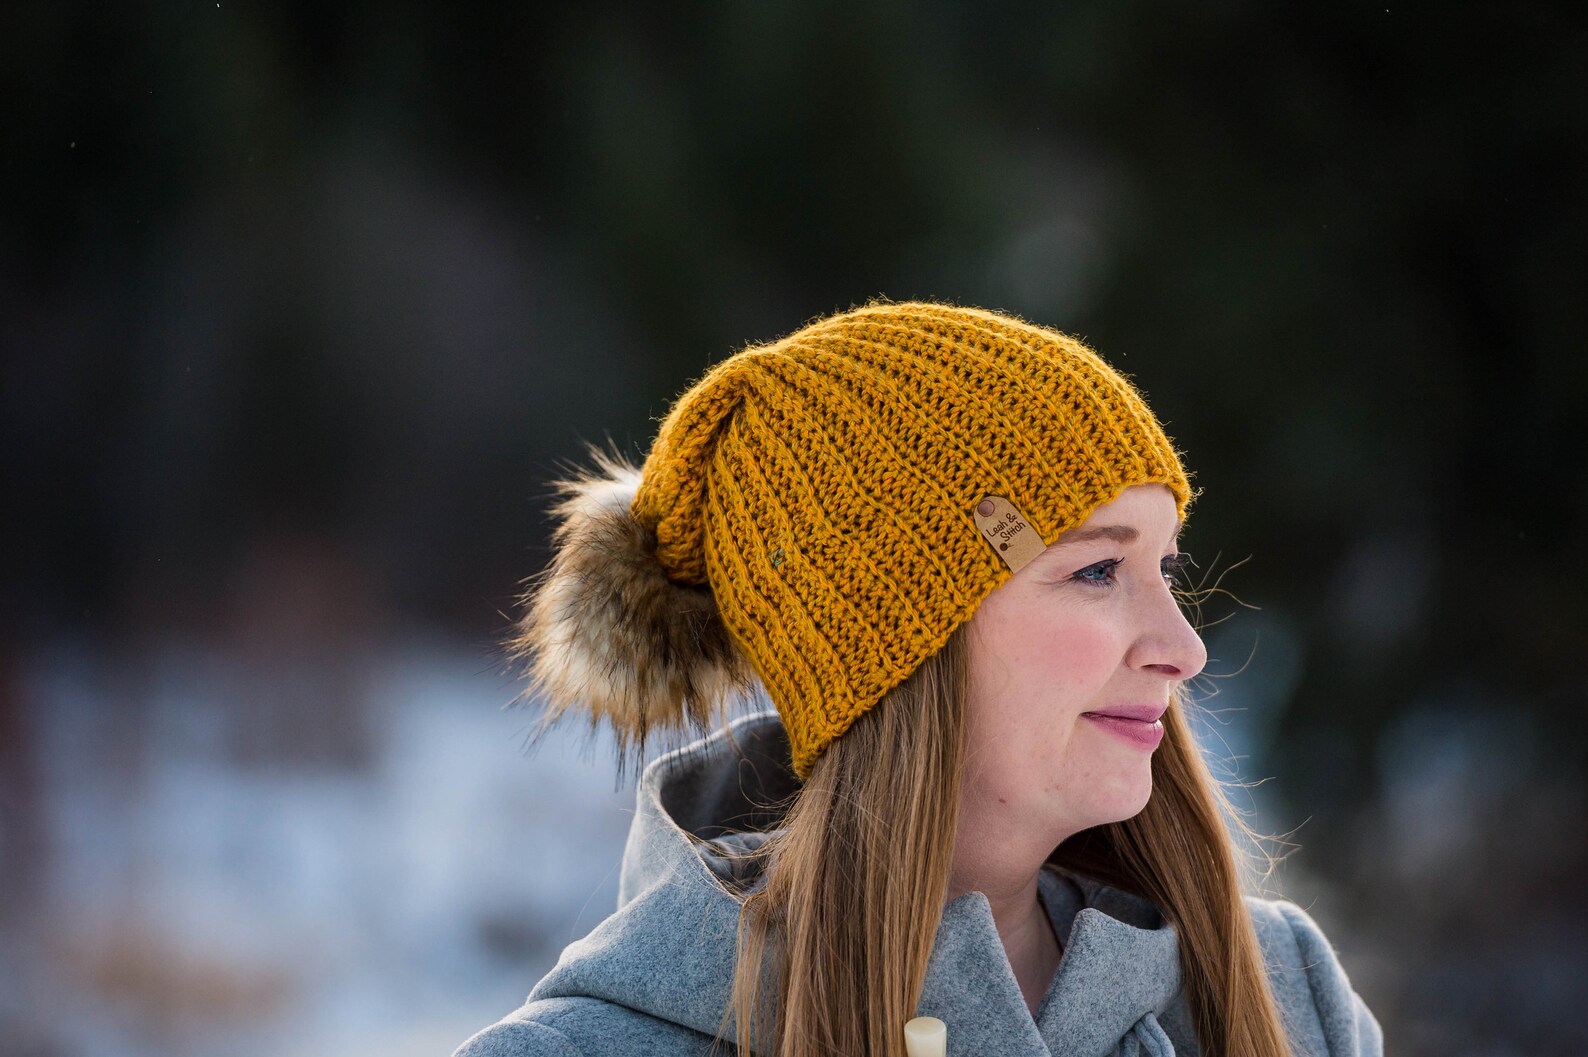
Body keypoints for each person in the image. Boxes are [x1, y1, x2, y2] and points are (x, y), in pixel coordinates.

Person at [451, 301, 1384, 1057]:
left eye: (1166, 570)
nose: (1185, 647)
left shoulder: (1280, 997)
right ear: (893, 642)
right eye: (1097, 570)